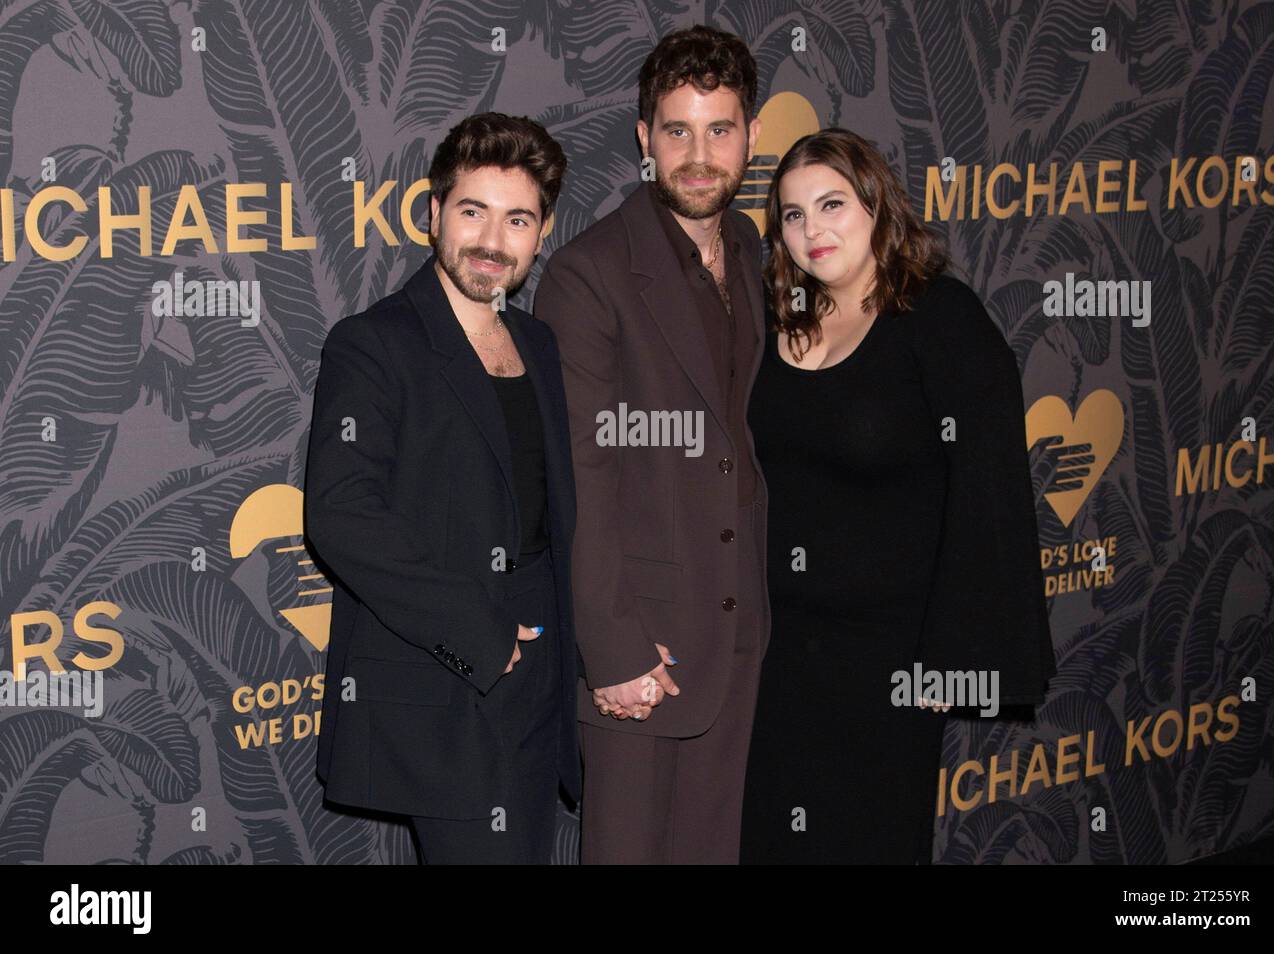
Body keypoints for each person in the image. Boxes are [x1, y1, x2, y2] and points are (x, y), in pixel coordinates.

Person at [739, 128, 1058, 864]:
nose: (812, 230)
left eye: (831, 204)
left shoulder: (939, 319)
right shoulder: (772, 320)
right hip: (775, 652)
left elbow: (989, 494)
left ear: (877, 204)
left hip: (889, 661)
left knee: (868, 841)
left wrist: (956, 657)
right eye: (791, 215)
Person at [304, 112, 581, 864]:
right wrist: (482, 640)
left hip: (541, 668)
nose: (493, 241)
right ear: (433, 215)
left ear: (541, 232)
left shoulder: (539, 343)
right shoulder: (375, 344)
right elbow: (342, 516)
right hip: (448, 673)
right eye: (473, 212)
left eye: (517, 219)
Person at [533, 25, 770, 864]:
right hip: (645, 650)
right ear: (644, 139)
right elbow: (581, 478)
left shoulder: (752, 254)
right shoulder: (588, 274)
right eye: (677, 130)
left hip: (737, 627)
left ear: (751, 134)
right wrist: (614, 648)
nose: (699, 155)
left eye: (720, 129)